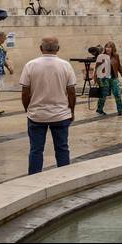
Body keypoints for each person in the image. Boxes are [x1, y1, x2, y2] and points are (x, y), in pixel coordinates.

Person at [20, 37, 77, 175]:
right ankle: (64, 177)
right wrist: (72, 110)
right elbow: (71, 92)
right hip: (60, 114)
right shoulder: (66, 65)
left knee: (36, 150)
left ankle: (34, 178)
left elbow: (25, 92)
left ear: (41, 48)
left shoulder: (30, 65)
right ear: (58, 48)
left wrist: (28, 108)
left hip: (37, 115)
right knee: (62, 148)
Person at [95, 41, 122, 116]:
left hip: (114, 78)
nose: (108, 49)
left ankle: (120, 110)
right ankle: (99, 109)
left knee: (117, 93)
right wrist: (96, 78)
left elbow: (119, 66)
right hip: (104, 79)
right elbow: (96, 68)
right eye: (107, 47)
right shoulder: (101, 56)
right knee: (103, 94)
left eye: (110, 47)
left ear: (113, 48)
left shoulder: (116, 56)